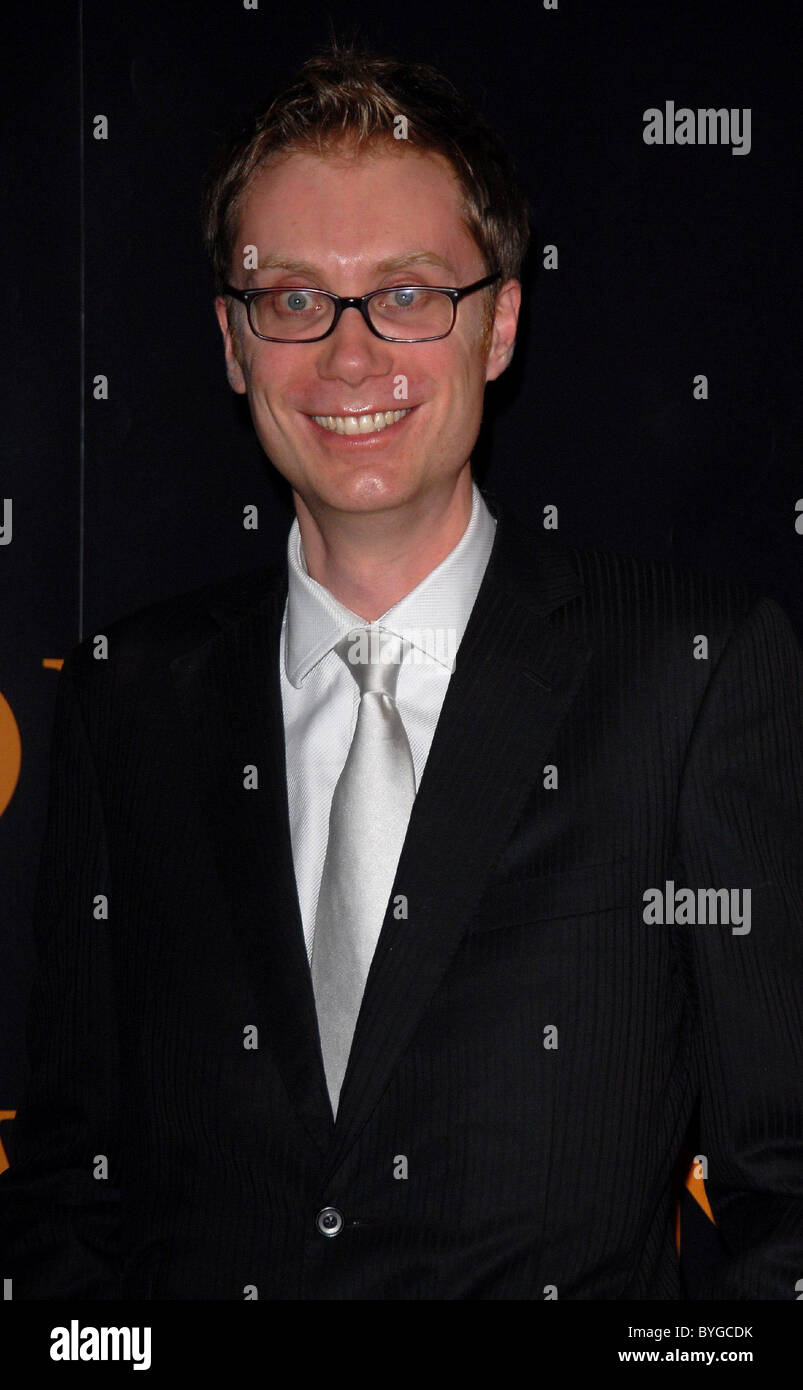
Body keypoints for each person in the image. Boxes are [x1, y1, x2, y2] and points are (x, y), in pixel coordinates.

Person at [1, 43, 801, 1301]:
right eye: (293, 299)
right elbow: (69, 1192)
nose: (351, 354)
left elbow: (785, 1192)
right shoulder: (129, 695)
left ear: (499, 324)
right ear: (231, 340)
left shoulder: (687, 676)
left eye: (409, 294)